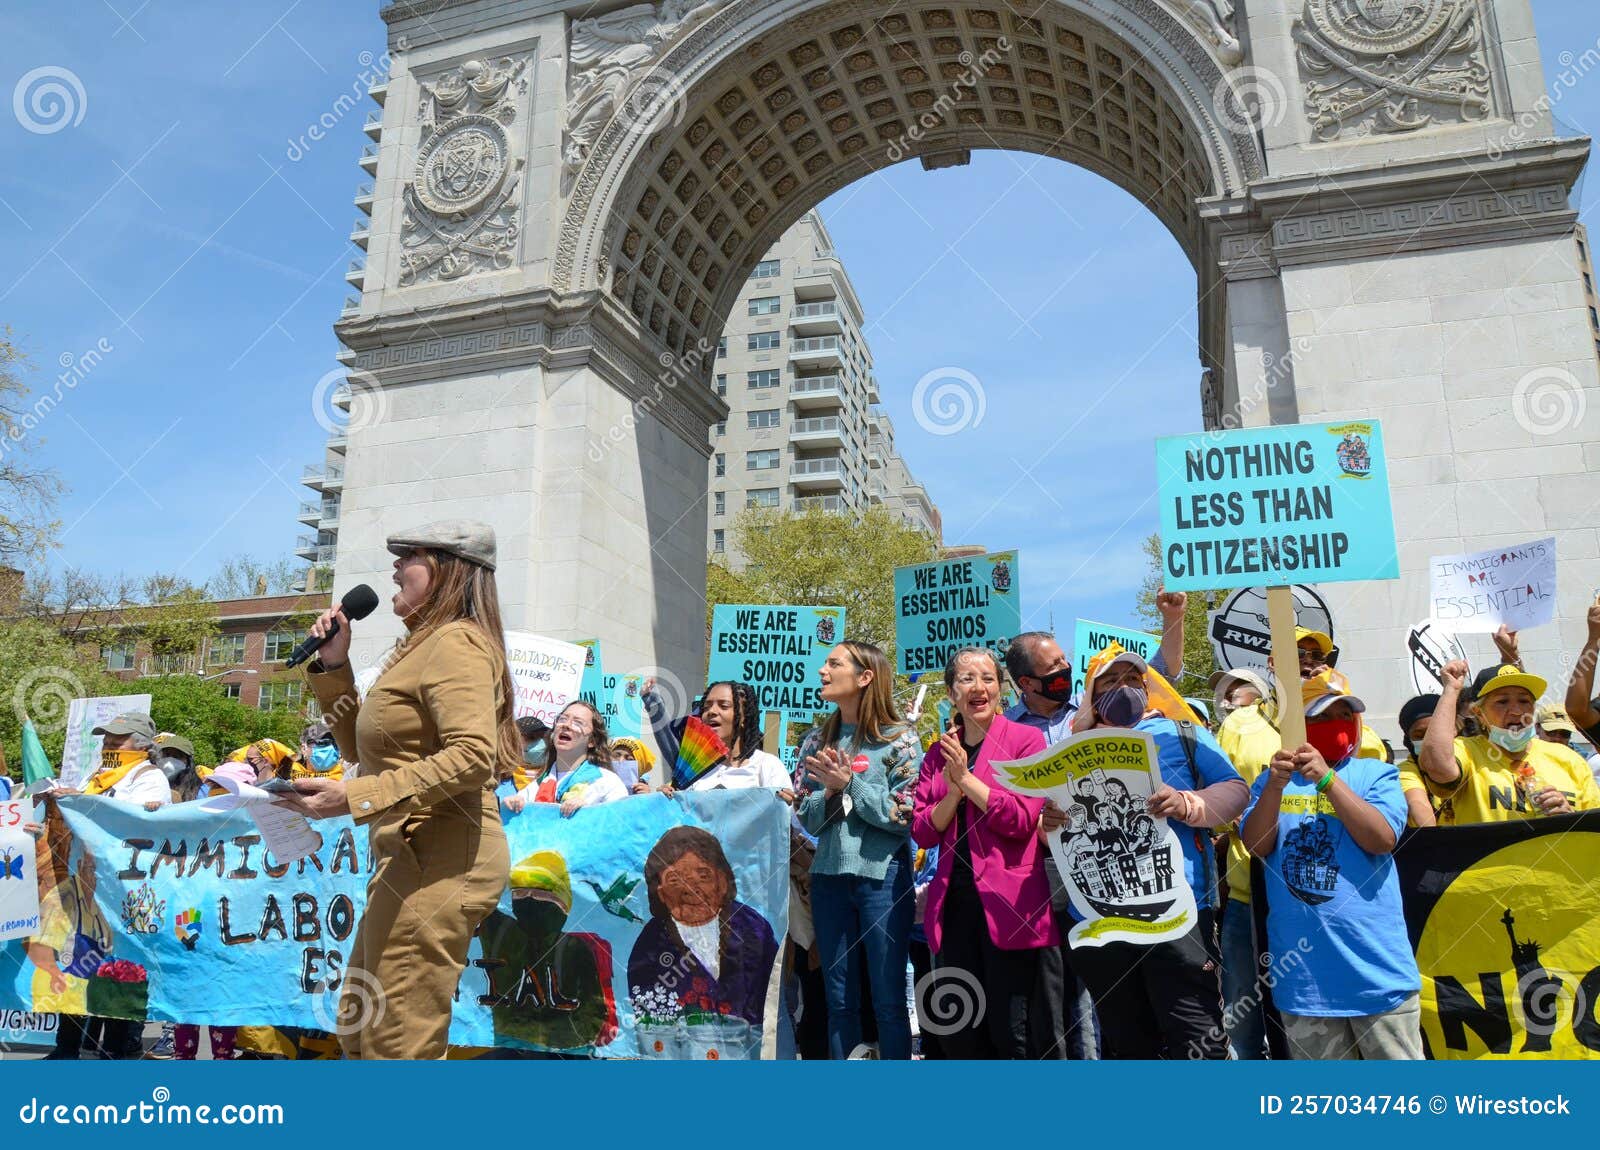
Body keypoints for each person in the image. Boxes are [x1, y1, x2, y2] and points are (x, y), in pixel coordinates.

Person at [279, 520, 515, 1059]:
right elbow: (363, 751)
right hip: (407, 856)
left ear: (448, 570)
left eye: (408, 554)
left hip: (443, 856)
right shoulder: (419, 647)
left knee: (397, 1037)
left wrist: (353, 798)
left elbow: (473, 755)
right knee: (359, 1025)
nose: (393, 565)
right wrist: (334, 665)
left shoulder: (457, 643)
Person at [1047, 646, 1246, 1060]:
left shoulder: (1185, 734)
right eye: (1111, 681)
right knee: (1126, 1043)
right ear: (1092, 694)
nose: (1124, 688)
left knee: (1197, 1036)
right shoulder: (1067, 753)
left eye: (1133, 680)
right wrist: (1049, 822)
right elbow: (1052, 829)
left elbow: (1235, 791)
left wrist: (1188, 804)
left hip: (1180, 909)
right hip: (1101, 918)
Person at [1239, 674, 1421, 1060]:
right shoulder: (1272, 782)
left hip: (1378, 978)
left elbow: (1381, 838)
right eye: (1323, 717)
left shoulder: (1377, 774)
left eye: (1345, 713)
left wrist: (1326, 779)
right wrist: (1273, 787)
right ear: (1298, 728)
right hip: (1305, 986)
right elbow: (1257, 846)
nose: (1337, 723)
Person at [911, 646, 1053, 1058]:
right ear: (951, 692)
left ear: (1001, 688)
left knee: (1011, 1031)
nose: (979, 687)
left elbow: (1021, 819)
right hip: (953, 905)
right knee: (960, 1031)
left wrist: (968, 782)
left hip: (1009, 904)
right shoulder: (939, 751)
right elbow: (922, 830)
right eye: (967, 679)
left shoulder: (1025, 740)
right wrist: (953, 790)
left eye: (988, 678)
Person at [794, 640, 922, 1060]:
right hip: (829, 881)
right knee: (839, 1002)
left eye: (834, 663)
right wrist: (831, 792)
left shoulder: (900, 739)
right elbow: (807, 816)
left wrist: (850, 784)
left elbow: (904, 815)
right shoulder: (816, 740)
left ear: (865, 677)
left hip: (883, 881)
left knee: (887, 1002)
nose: (822, 671)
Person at [50, 711, 169, 1059]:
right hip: (88, 886)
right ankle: (67, 1047)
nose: (109, 744)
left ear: (143, 745)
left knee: (122, 969)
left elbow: (138, 823)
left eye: (118, 739)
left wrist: (81, 802)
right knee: (78, 965)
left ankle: (118, 1051)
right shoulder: (96, 777)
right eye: (106, 739)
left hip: (127, 893)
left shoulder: (151, 779)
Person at [1419, 661, 1600, 824]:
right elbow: (1437, 766)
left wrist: (1571, 818)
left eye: (1524, 701)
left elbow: (1593, 828)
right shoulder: (1467, 751)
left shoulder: (1568, 758)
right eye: (1502, 702)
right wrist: (1451, 690)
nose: (1516, 711)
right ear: (1479, 713)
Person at [642, 678, 791, 794]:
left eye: (724, 706)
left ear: (744, 718)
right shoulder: (693, 769)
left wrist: (791, 801)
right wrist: (668, 800)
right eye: (706, 707)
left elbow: (785, 819)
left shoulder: (767, 766)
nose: (711, 712)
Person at [502, 701, 628, 816]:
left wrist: (588, 813)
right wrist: (511, 805)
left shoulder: (607, 782)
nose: (566, 725)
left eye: (578, 722)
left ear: (592, 741)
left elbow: (620, 825)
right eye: (562, 719)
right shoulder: (536, 785)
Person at [1394, 694, 1440, 828]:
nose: (1428, 742)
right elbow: (1417, 803)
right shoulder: (1406, 770)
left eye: (1435, 732)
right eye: (1419, 736)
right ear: (1408, 739)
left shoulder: (1470, 754)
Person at [512, 716, 553, 791]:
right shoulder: (499, 780)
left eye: (543, 736)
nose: (541, 742)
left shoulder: (555, 778)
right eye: (532, 738)